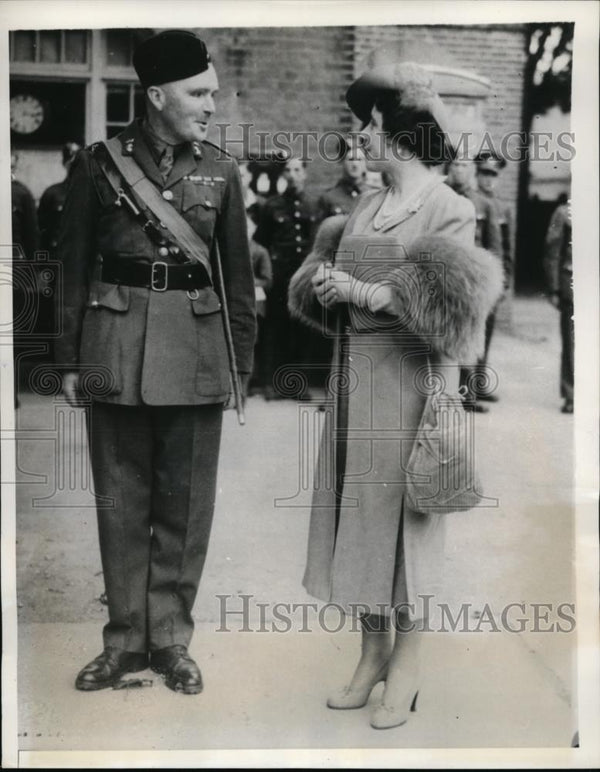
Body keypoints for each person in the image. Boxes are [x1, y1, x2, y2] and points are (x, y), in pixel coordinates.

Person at [289, 62, 503, 729]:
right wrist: (325, 286)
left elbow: (456, 317)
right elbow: (331, 287)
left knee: (409, 528)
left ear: (401, 133)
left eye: (369, 126)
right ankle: (372, 653)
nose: (359, 138)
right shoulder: (366, 204)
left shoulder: (449, 208)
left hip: (415, 388)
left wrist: (365, 292)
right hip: (356, 381)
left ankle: (406, 666)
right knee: (360, 522)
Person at [55, 29, 256, 694]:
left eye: (213, 92)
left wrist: (240, 367)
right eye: (198, 94)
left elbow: (235, 279)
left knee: (185, 507)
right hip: (113, 348)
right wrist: (68, 360)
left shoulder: (221, 171)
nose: (211, 104)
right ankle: (123, 643)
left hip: (197, 355)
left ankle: (170, 642)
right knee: (120, 505)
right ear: (158, 96)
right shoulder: (97, 165)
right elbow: (71, 267)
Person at [253, 156, 318, 400]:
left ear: (305, 174)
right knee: (276, 328)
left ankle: (298, 385)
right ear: (283, 175)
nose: (293, 174)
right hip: (279, 276)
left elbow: (317, 242)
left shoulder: (314, 204)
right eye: (288, 170)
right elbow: (261, 243)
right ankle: (272, 384)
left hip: (303, 275)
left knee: (302, 329)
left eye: (297, 169)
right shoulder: (272, 206)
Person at [446, 155, 502, 412]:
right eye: (455, 164)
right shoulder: (440, 197)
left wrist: (498, 281)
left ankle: (467, 395)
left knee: (472, 335)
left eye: (465, 165)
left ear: (472, 170)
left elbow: (494, 245)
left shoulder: (483, 204)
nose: (459, 170)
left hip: (472, 280)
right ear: (449, 167)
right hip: (446, 275)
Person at [474, 151, 514, 403]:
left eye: (493, 175)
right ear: (477, 174)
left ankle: (478, 384)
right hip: (477, 276)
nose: (488, 179)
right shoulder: (471, 201)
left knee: (487, 332)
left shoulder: (503, 207)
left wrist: (506, 278)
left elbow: (507, 246)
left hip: (494, 278)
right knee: (473, 332)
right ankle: (467, 388)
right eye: (484, 173)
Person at [37, 141, 82, 348]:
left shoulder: (90, 194)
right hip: (55, 261)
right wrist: (41, 269)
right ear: (64, 163)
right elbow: (42, 231)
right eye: (71, 160)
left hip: (80, 261)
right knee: (53, 309)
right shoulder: (52, 194)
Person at [239, 161, 272, 395]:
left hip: (256, 300)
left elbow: (267, 278)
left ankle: (254, 381)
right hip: (238, 299)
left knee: (255, 339)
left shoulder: (260, 251)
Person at [543, 200, 573, 413]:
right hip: (572, 284)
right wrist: (553, 288)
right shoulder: (564, 214)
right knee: (573, 342)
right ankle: (572, 394)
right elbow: (552, 252)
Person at [316, 137, 367, 220]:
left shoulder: (374, 194)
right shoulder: (329, 198)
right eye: (350, 159)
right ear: (342, 161)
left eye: (359, 159)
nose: (355, 164)